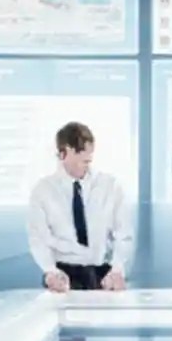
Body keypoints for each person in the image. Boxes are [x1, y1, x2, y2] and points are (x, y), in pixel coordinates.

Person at [27, 122, 134, 292]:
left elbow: (124, 234)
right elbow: (38, 238)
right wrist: (50, 271)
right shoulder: (43, 190)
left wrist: (117, 269)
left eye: (88, 156)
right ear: (63, 153)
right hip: (63, 274)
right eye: (78, 153)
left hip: (102, 274)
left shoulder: (110, 186)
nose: (85, 160)